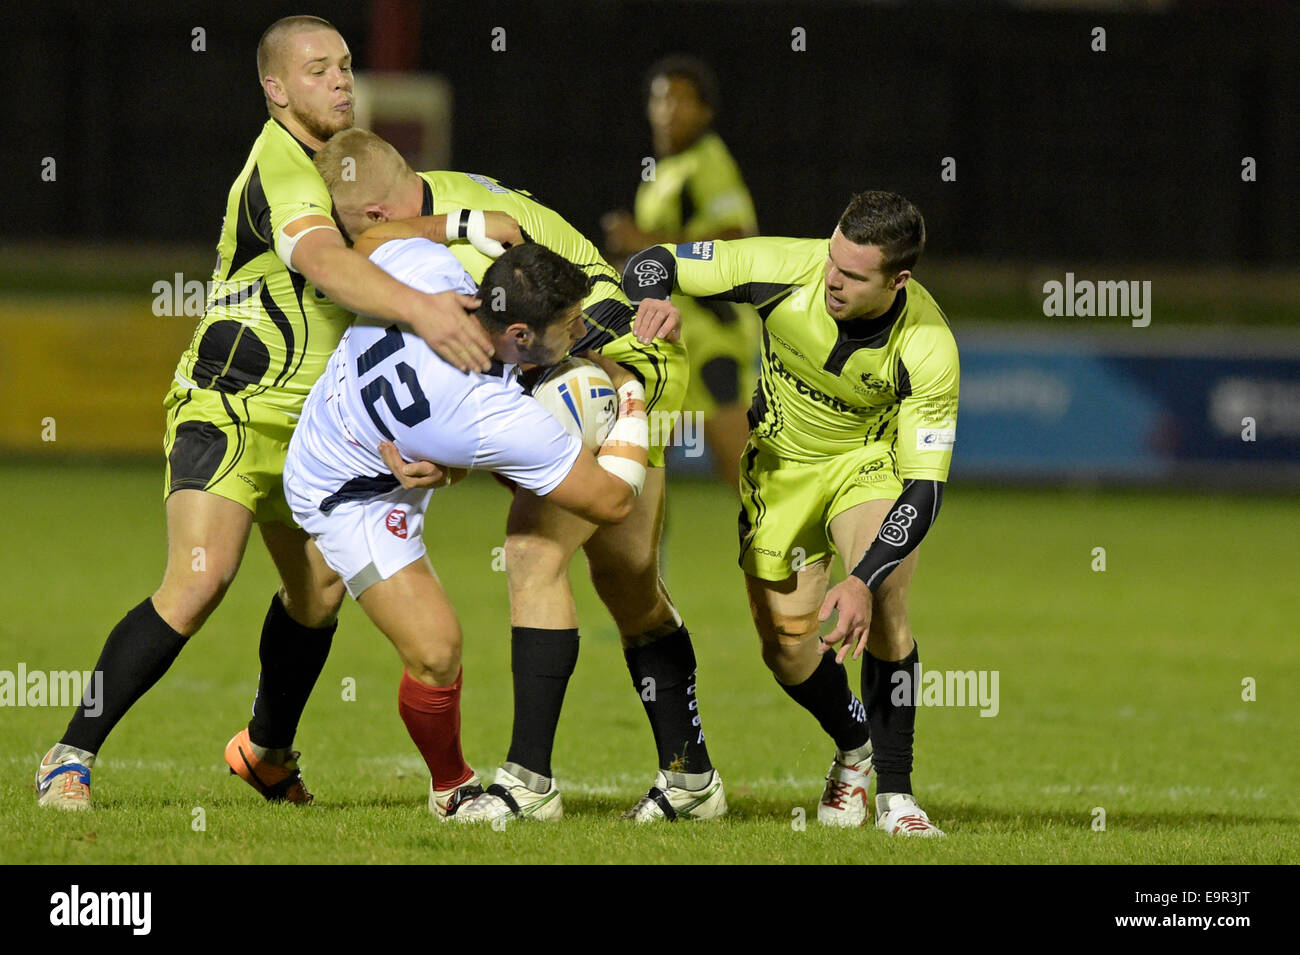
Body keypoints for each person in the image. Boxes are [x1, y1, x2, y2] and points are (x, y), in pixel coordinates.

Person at [35, 15, 503, 810]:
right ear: (276, 89)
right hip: (231, 406)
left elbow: (367, 293)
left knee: (317, 595)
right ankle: (69, 751)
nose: (343, 81)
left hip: (316, 429)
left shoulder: (347, 171)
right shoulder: (281, 169)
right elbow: (327, 262)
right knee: (199, 577)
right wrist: (429, 308)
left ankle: (266, 752)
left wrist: (394, 429)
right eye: (319, 69)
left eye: (348, 66)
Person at [305, 128, 726, 822]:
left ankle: (530, 781)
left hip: (617, 364)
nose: (337, 249)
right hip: (564, 367)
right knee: (630, 587)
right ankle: (690, 779)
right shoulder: (442, 214)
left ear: (374, 214)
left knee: (536, 551)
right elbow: (477, 380)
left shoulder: (460, 252)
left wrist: (624, 387)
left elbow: (561, 334)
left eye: (340, 229)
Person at [621, 191, 958, 836]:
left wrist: (863, 578)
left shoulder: (929, 348)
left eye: (854, 276)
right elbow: (654, 260)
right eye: (834, 261)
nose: (832, 280)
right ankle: (854, 745)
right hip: (776, 470)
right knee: (788, 651)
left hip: (868, 466)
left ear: (899, 280)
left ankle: (898, 797)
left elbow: (923, 488)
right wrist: (653, 298)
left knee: (884, 599)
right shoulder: (783, 266)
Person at [283, 239, 652, 819]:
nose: (581, 333)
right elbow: (610, 501)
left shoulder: (427, 266)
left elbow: (372, 239)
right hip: (347, 492)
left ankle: (262, 745)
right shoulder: (481, 413)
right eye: (570, 323)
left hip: (353, 430)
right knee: (435, 651)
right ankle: (451, 788)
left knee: (313, 601)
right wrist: (631, 398)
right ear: (521, 334)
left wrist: (463, 222)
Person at [603, 55, 760, 490]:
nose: (668, 109)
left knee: (744, 476)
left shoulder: (706, 161)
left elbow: (737, 236)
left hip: (711, 335)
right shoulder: (662, 172)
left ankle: (782, 554)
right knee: (640, 465)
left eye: (681, 100)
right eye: (660, 99)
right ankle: (646, 561)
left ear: (705, 112)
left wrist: (646, 241)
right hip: (668, 333)